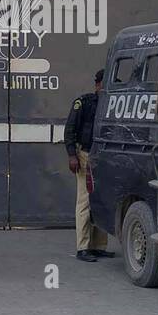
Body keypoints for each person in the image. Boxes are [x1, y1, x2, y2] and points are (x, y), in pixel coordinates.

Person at [64, 69, 113, 262]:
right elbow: (69, 130)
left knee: (101, 201)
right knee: (85, 202)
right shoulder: (83, 103)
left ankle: (99, 246)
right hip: (85, 155)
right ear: (98, 84)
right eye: (105, 83)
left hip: (104, 158)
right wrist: (71, 155)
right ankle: (83, 247)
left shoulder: (112, 105)